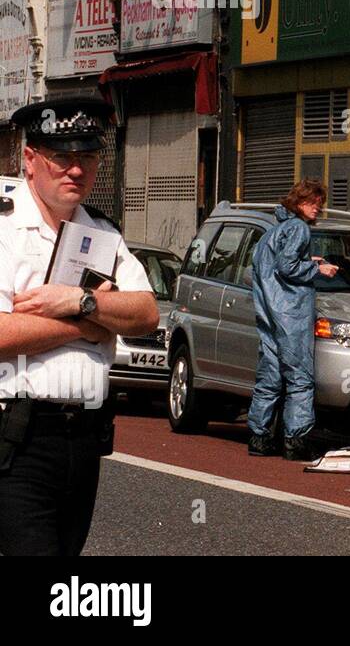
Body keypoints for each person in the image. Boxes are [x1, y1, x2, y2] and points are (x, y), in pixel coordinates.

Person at [0, 97, 159, 555]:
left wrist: (77, 301)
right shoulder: (7, 229)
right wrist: (87, 324)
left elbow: (145, 313)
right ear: (29, 160)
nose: (76, 170)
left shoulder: (103, 232)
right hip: (16, 437)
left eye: (87, 157)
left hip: (83, 439)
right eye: (62, 157)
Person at [247, 180, 338, 461]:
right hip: (291, 313)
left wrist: (305, 258)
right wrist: (318, 268)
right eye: (313, 203)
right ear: (299, 203)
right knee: (300, 378)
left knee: (270, 375)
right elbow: (287, 267)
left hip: (269, 313)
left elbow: (273, 265)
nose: (318, 208)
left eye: (319, 203)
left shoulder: (273, 233)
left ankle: (259, 437)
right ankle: (295, 441)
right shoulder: (298, 228)